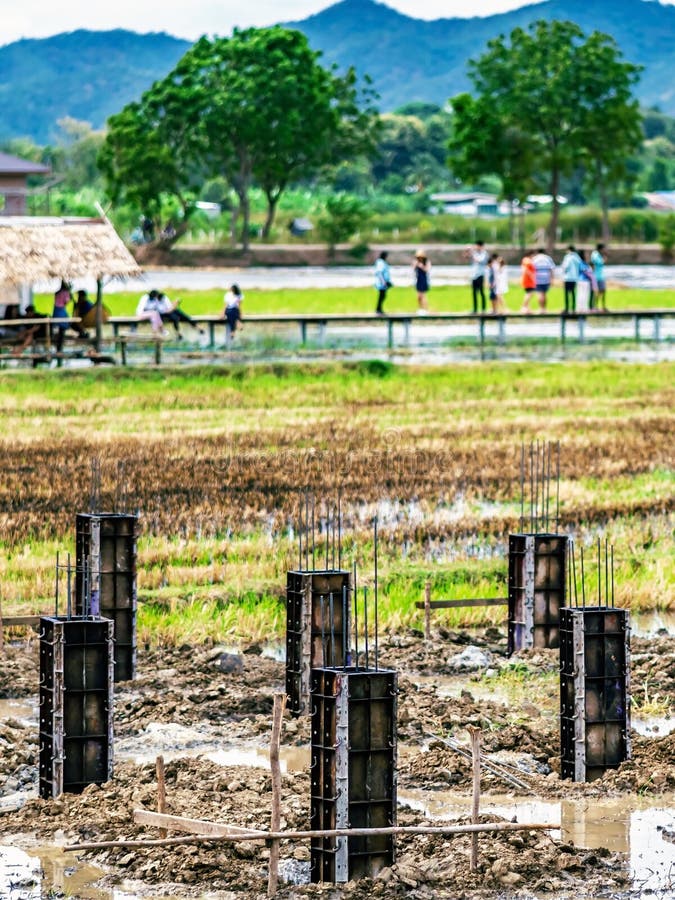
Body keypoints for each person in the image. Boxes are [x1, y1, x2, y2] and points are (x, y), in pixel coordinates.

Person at [465, 240, 488, 313]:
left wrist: (472, 254)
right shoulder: (474, 253)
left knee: (481, 292)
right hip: (474, 275)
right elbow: (466, 257)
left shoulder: (484, 254)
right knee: (474, 293)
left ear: (481, 246)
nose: (476, 247)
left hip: (480, 275)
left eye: (477, 246)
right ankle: (475, 309)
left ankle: (483, 309)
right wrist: (468, 251)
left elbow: (480, 261)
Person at [531, 248, 556, 312]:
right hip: (546, 278)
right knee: (544, 294)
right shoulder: (548, 258)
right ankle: (544, 308)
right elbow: (552, 269)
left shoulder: (535, 258)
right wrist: (552, 279)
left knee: (539, 294)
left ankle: (541, 308)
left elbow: (532, 269)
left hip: (538, 279)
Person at [52, 279, 73, 351]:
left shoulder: (57, 292)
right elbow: (66, 302)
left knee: (57, 329)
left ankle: (57, 346)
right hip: (61, 311)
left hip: (56, 311)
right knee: (62, 329)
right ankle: (59, 347)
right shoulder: (66, 292)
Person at [561, 245, 582, 313]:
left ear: (569, 250)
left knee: (567, 294)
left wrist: (563, 273)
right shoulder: (577, 257)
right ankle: (573, 308)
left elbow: (565, 266)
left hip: (568, 278)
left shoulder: (568, 257)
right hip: (575, 278)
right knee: (573, 293)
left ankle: (566, 308)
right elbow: (580, 266)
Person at [412, 249, 430, 314]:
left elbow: (427, 270)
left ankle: (426, 309)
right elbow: (413, 269)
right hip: (418, 280)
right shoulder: (416, 261)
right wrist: (415, 264)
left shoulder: (426, 262)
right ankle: (420, 309)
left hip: (424, 280)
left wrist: (421, 266)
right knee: (418, 296)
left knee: (423, 295)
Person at [591, 243, 608, 311]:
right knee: (597, 292)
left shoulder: (598, 255)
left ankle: (603, 306)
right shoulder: (595, 254)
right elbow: (600, 262)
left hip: (600, 276)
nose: (604, 250)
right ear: (600, 249)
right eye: (603, 248)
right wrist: (605, 257)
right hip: (597, 276)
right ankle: (596, 307)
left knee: (603, 291)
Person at [374, 251, 392, 316]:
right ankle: (378, 310)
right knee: (382, 296)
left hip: (383, 282)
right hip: (381, 283)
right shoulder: (381, 262)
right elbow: (379, 273)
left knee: (383, 296)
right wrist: (383, 282)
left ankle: (379, 309)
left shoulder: (382, 262)